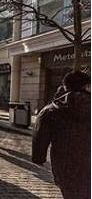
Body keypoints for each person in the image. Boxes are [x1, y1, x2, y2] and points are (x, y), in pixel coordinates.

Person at [32, 71, 91, 199]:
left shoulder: (50, 110)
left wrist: (39, 158)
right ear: (87, 86)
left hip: (64, 166)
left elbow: (40, 137)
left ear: (65, 87)